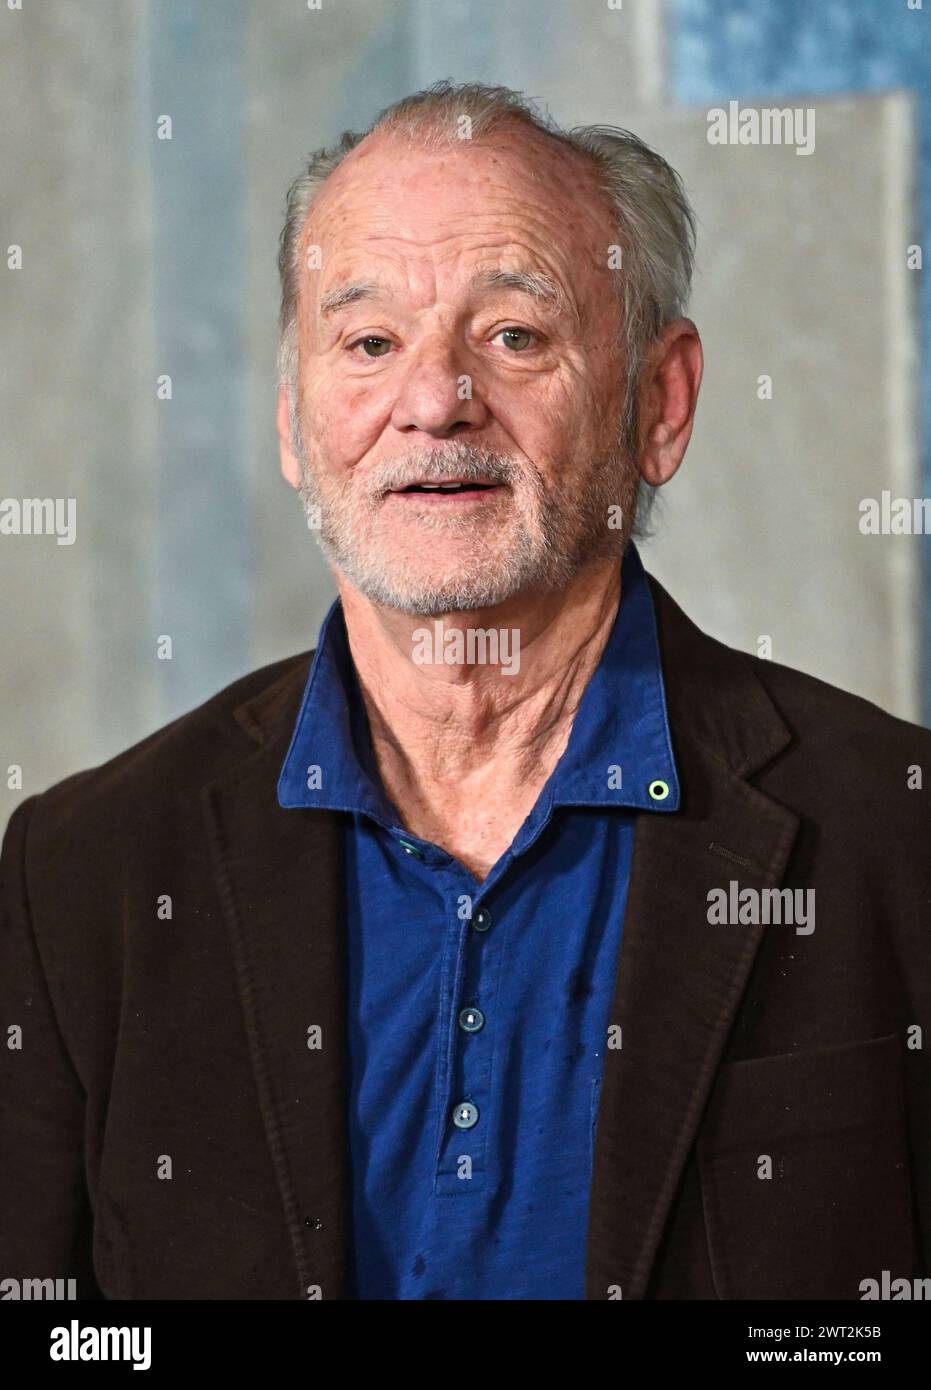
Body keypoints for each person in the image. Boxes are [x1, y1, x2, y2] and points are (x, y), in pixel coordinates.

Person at [1, 81, 928, 1301]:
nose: (433, 402)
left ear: (660, 404)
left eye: (514, 336)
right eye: (370, 343)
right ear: (293, 420)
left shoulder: (896, 839)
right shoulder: (85, 873)